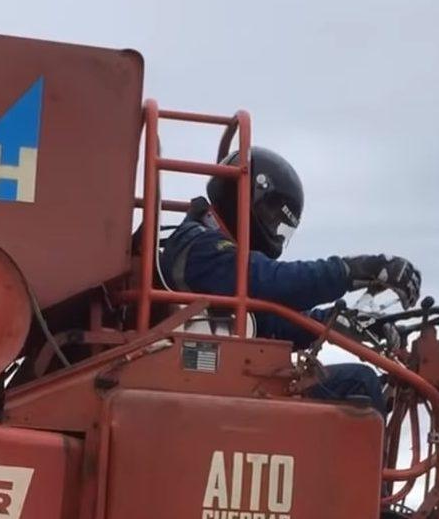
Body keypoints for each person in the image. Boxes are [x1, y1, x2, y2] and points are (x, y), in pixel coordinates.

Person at [159, 148, 421, 408]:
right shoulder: (201, 247)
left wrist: (337, 323)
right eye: (275, 220)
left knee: (355, 381)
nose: (275, 232)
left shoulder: (202, 248)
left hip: (222, 374)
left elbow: (270, 321)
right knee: (360, 383)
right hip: (219, 378)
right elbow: (271, 281)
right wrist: (355, 269)